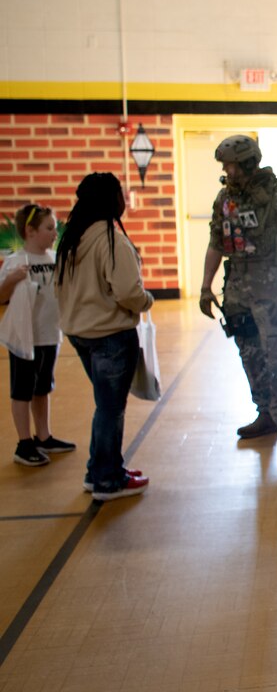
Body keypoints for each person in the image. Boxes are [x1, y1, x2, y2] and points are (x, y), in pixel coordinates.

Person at [198, 135, 277, 447]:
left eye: (230, 164)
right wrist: (206, 286)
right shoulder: (224, 200)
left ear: (246, 163)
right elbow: (217, 244)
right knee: (251, 355)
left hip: (271, 291)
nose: (226, 170)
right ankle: (266, 414)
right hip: (237, 293)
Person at [55, 173, 153, 501]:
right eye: (120, 194)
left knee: (104, 406)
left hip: (80, 332)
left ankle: (97, 470)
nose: (124, 200)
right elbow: (128, 291)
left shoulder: (73, 237)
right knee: (110, 408)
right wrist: (146, 301)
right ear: (111, 199)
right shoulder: (110, 238)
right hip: (110, 334)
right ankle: (107, 480)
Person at [0, 204, 75, 466]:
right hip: (24, 338)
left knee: (42, 388)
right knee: (22, 390)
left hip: (48, 334)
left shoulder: (55, 260)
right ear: (30, 231)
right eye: (49, 228)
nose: (55, 233)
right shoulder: (16, 262)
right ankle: (24, 443)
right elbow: (1, 297)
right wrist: (11, 281)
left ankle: (43, 436)